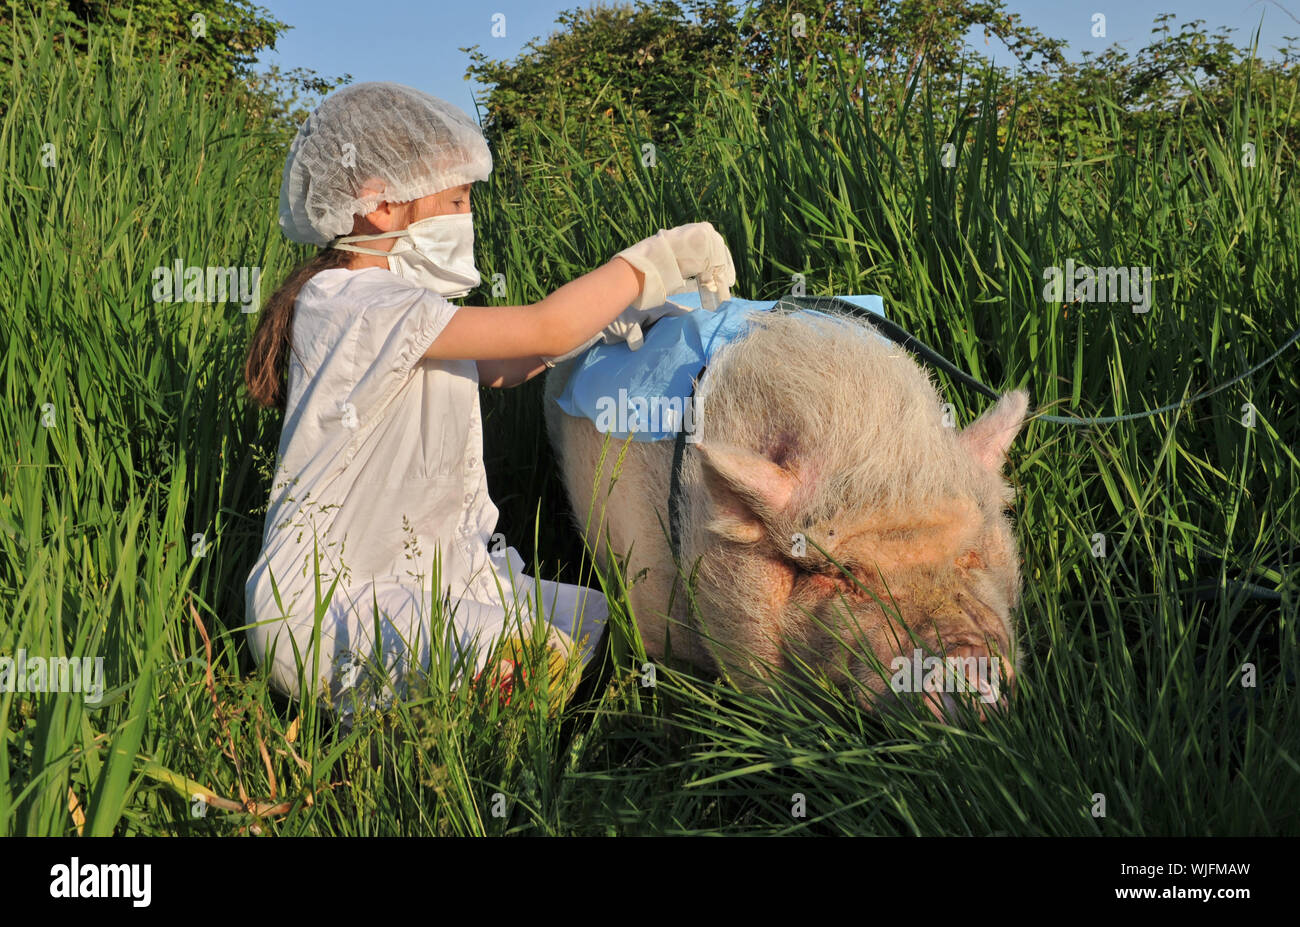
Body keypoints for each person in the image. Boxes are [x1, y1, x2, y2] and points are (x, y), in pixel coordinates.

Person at [241, 82, 735, 720]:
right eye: (454, 199)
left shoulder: (401, 307)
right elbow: (542, 327)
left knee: (592, 620)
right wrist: (650, 264)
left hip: (420, 576)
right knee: (533, 656)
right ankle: (463, 758)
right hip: (323, 604)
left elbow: (512, 363)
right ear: (377, 204)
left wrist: (612, 319)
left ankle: (497, 715)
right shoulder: (351, 303)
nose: (465, 216)